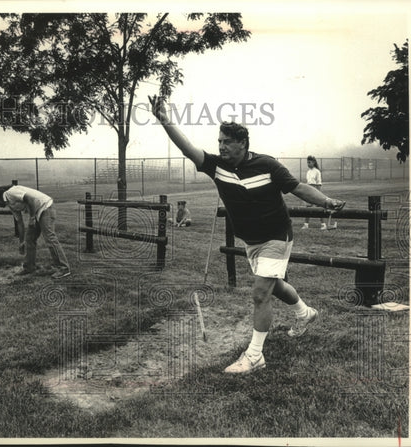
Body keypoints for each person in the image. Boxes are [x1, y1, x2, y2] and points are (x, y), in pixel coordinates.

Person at [148, 95, 345, 374]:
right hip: (251, 241)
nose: (221, 146)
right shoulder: (217, 166)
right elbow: (187, 149)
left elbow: (298, 188)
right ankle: (304, 312)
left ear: (243, 144)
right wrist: (165, 120)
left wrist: (326, 202)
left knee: (260, 292)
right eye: (219, 142)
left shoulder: (268, 165)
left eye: (227, 142)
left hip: (277, 235)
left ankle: (254, 356)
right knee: (274, 285)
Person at [0, 184, 71, 279]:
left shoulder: (11, 192)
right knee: (29, 239)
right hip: (37, 211)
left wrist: (32, 218)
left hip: (45, 207)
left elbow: (31, 200)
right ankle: (29, 267)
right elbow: (20, 223)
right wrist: (21, 242)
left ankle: (64, 268)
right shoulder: (10, 204)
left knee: (50, 238)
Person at [301, 156, 328, 230]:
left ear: (314, 162)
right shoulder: (308, 172)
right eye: (307, 162)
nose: (308, 164)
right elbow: (308, 183)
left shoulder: (317, 171)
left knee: (318, 208)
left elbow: (319, 183)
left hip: (315, 190)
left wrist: (317, 194)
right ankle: (306, 225)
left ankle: (323, 225)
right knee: (307, 208)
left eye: (309, 162)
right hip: (308, 191)